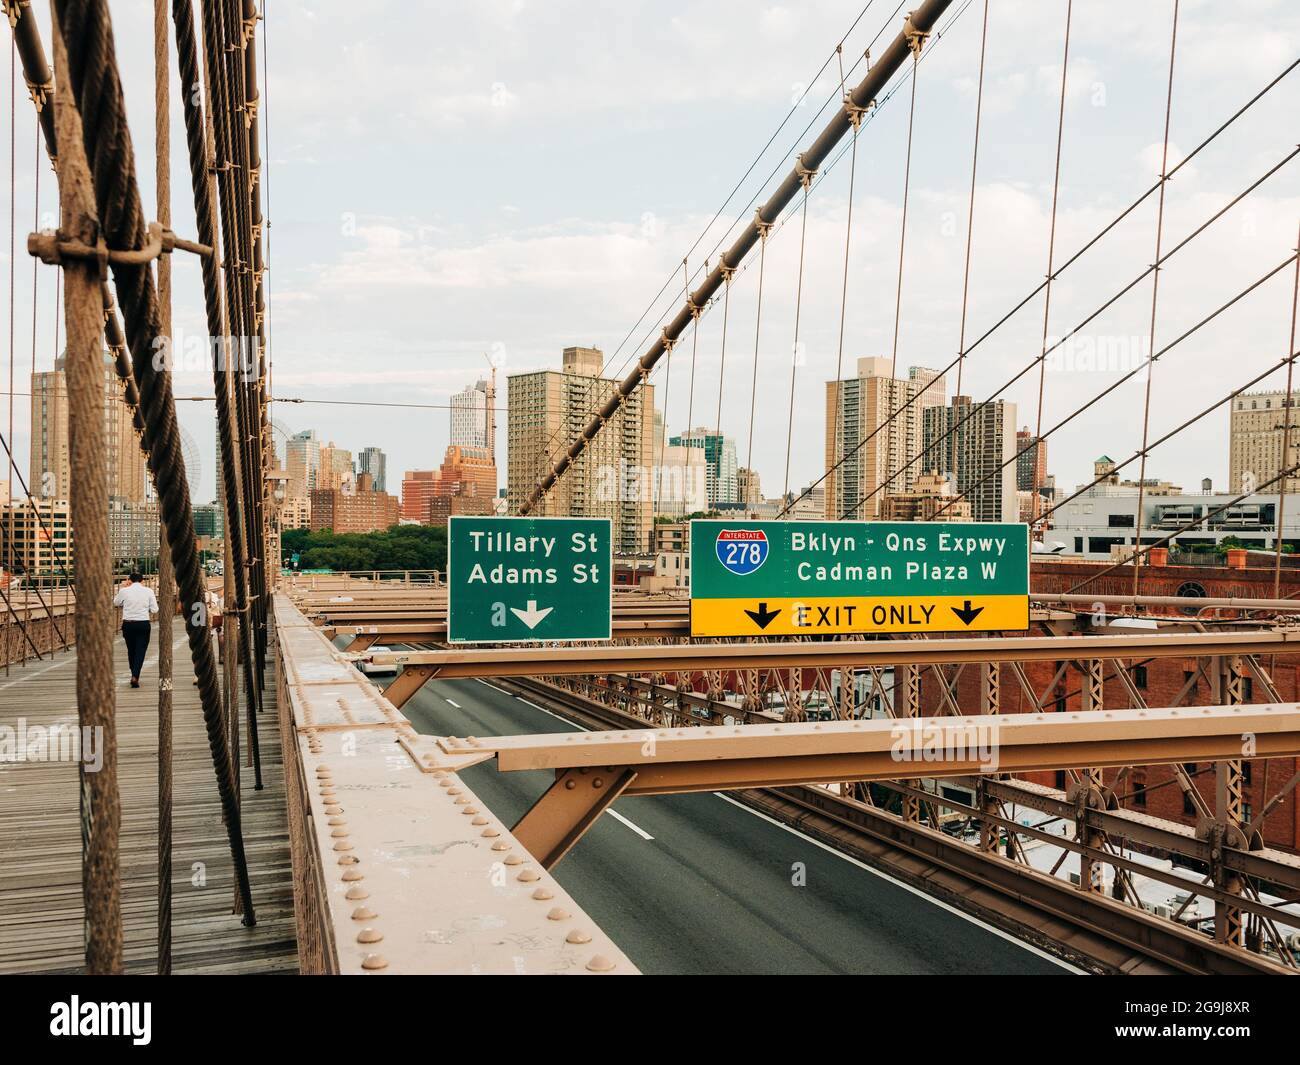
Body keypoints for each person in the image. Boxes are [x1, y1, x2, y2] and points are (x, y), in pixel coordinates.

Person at [113, 571, 159, 688]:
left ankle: (133, 673)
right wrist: (144, 608)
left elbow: (116, 602)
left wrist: (124, 589)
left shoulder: (124, 591)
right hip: (143, 624)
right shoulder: (149, 591)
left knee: (131, 650)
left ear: (130, 580)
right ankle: (135, 675)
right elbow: (154, 610)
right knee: (140, 650)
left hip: (128, 625)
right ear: (142, 580)